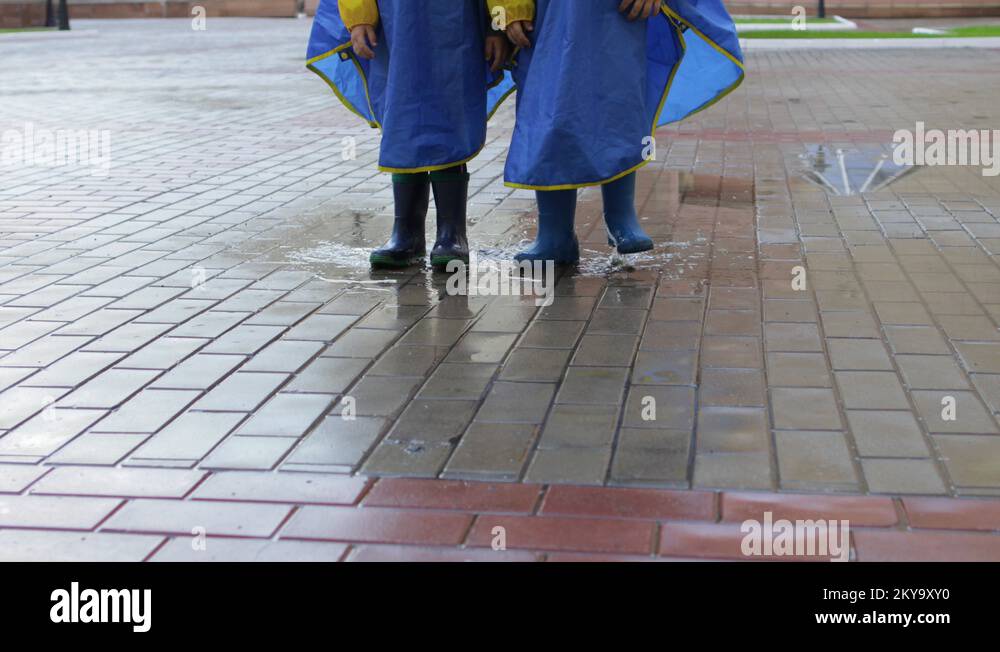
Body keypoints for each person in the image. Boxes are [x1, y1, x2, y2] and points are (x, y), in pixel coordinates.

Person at [491, 0, 744, 264]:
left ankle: (621, 216)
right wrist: (508, 8)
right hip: (543, 16)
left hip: (617, 12)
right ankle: (554, 233)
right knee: (549, 111)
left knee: (618, 101)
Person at [307, 0, 512, 268]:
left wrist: (497, 25)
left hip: (457, 25)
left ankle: (452, 233)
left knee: (448, 117)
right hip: (393, 26)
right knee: (402, 120)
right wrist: (358, 18)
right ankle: (406, 233)